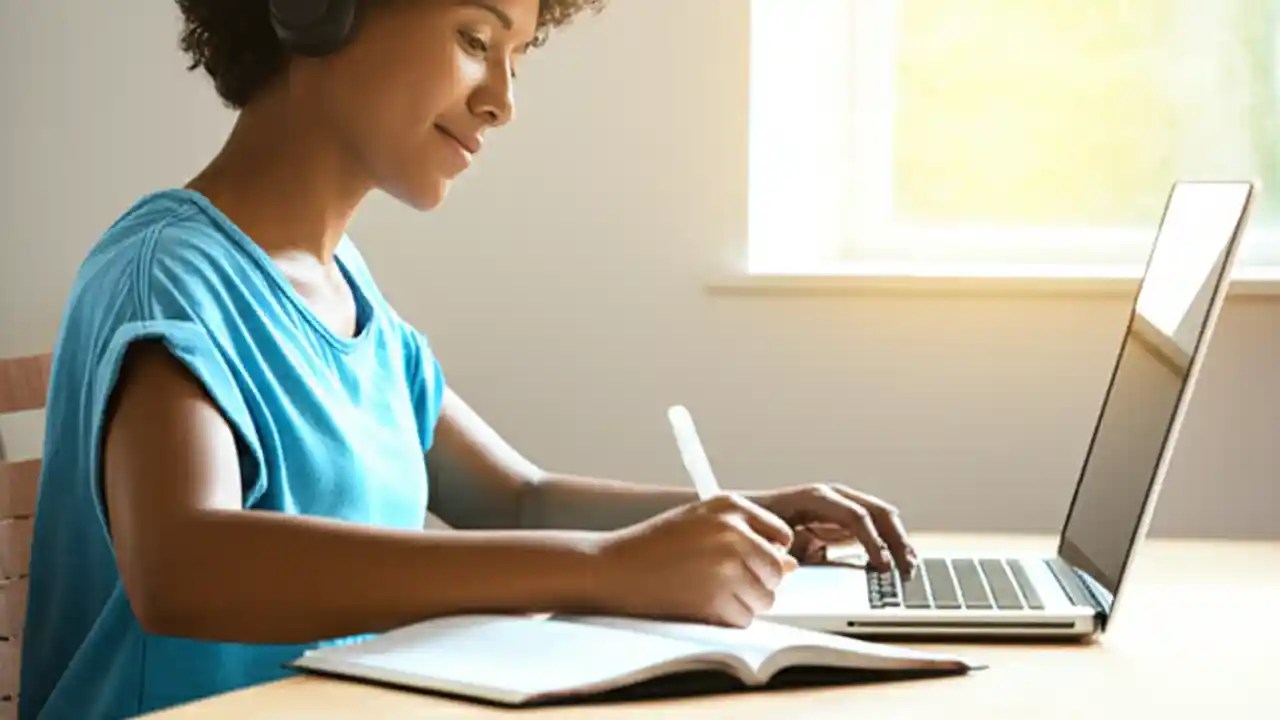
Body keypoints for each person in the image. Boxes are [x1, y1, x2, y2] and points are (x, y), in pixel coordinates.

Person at [19, 0, 917, 716]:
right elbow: (186, 567)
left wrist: (748, 516)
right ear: (315, 9)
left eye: (516, 57)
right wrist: (607, 571)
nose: (503, 99)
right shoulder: (166, 275)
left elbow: (515, 496)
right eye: (475, 38)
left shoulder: (351, 299)